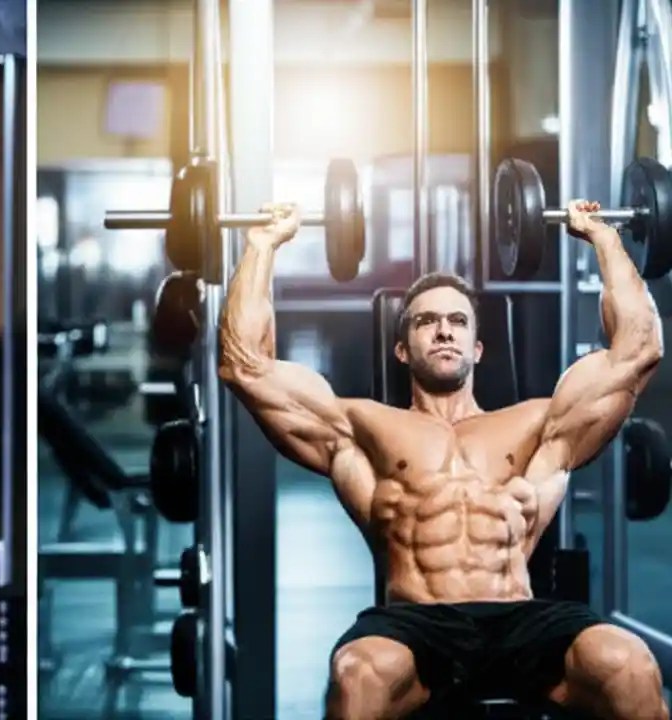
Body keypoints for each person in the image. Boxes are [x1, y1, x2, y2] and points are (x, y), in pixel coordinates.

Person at [218, 203, 667, 719]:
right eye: (426, 322)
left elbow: (638, 350)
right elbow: (244, 365)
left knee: (628, 664)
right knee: (357, 674)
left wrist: (605, 239)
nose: (443, 331)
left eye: (457, 321)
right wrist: (262, 246)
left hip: (520, 617)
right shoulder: (361, 428)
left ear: (477, 348)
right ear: (402, 349)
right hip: (417, 626)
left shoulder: (537, 424)